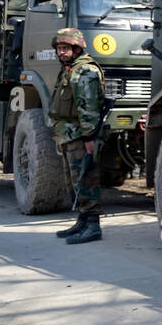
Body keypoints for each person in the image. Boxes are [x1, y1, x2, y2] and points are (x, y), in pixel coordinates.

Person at [48, 27, 105, 244]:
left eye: (66, 48)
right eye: (59, 48)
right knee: (74, 181)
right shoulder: (70, 69)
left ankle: (93, 225)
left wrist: (89, 138)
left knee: (86, 179)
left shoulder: (85, 71)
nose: (61, 52)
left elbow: (88, 107)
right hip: (68, 134)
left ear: (77, 48)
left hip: (81, 136)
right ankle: (82, 221)